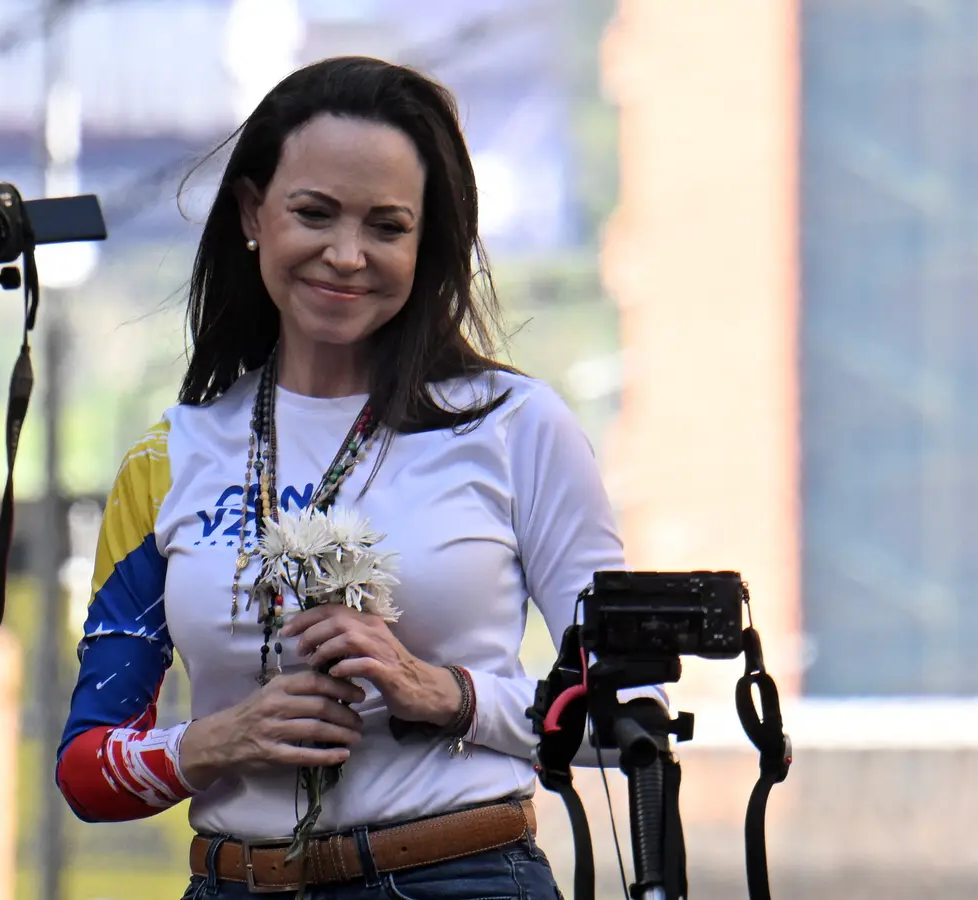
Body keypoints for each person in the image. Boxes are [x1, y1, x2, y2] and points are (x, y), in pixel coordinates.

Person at [55, 55, 665, 899]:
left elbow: (630, 718)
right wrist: (217, 741)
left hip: (462, 876)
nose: (346, 254)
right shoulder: (169, 460)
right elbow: (87, 770)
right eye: (314, 214)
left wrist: (445, 694)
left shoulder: (516, 426)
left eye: (387, 226)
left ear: (427, 244)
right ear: (251, 214)